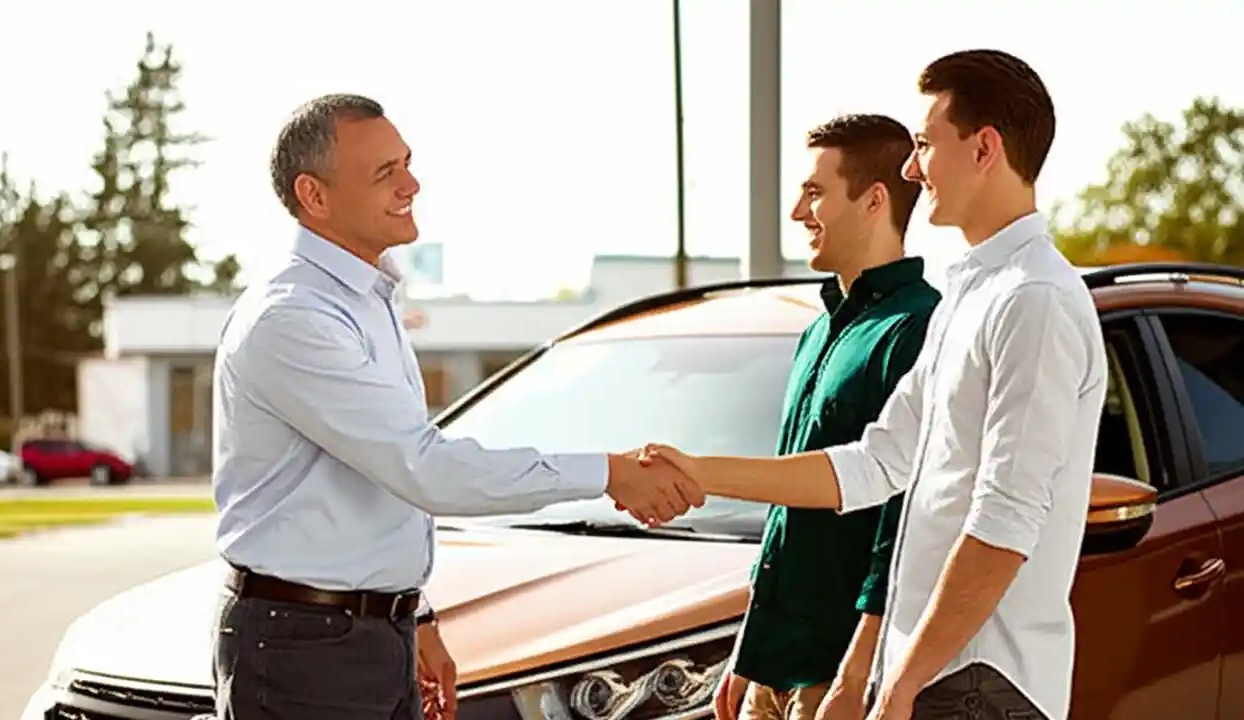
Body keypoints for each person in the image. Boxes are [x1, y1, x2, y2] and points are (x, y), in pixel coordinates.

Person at [643, 49, 1106, 720]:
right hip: (935, 675)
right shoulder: (971, 295)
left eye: (924, 144)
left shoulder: (1035, 300)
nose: (913, 168)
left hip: (978, 683)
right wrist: (699, 472)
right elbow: (874, 464)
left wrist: (901, 682)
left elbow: (1005, 520)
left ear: (984, 149)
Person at [209, 93, 702, 720]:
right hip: (305, 651)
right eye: (384, 173)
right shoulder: (295, 317)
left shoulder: (365, 298)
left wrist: (413, 613)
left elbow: (377, 489)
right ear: (315, 195)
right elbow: (425, 469)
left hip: (363, 636)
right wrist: (609, 473)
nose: (411, 185)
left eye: (406, 164)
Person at [711, 114, 939, 720]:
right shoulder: (818, 331)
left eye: (814, 192)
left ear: (874, 200)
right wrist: (749, 650)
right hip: (773, 667)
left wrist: (856, 674)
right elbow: (786, 510)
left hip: (840, 678)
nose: (797, 212)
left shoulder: (919, 328)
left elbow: (903, 524)